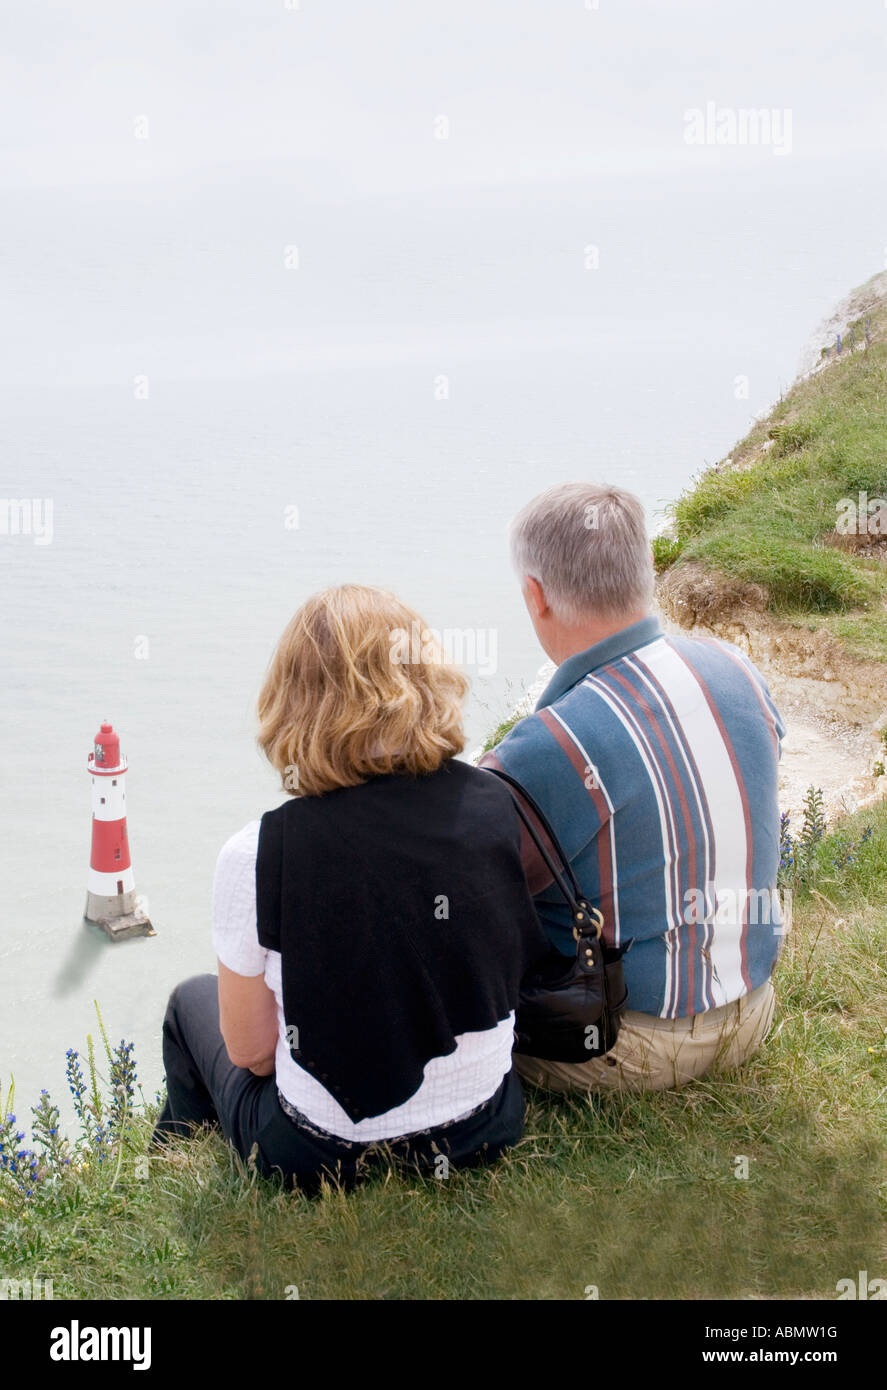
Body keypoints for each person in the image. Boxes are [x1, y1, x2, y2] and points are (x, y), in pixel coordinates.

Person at [150, 584, 548, 1191]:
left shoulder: (257, 854)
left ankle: (171, 1159)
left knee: (189, 1003)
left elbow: (250, 1053)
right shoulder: (493, 801)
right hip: (485, 1124)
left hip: (318, 1155)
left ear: (294, 702)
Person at [480, 482, 784, 1094]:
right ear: (643, 569)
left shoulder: (552, 742)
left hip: (627, 1043)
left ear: (535, 595)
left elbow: (471, 889)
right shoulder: (738, 670)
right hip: (752, 1011)